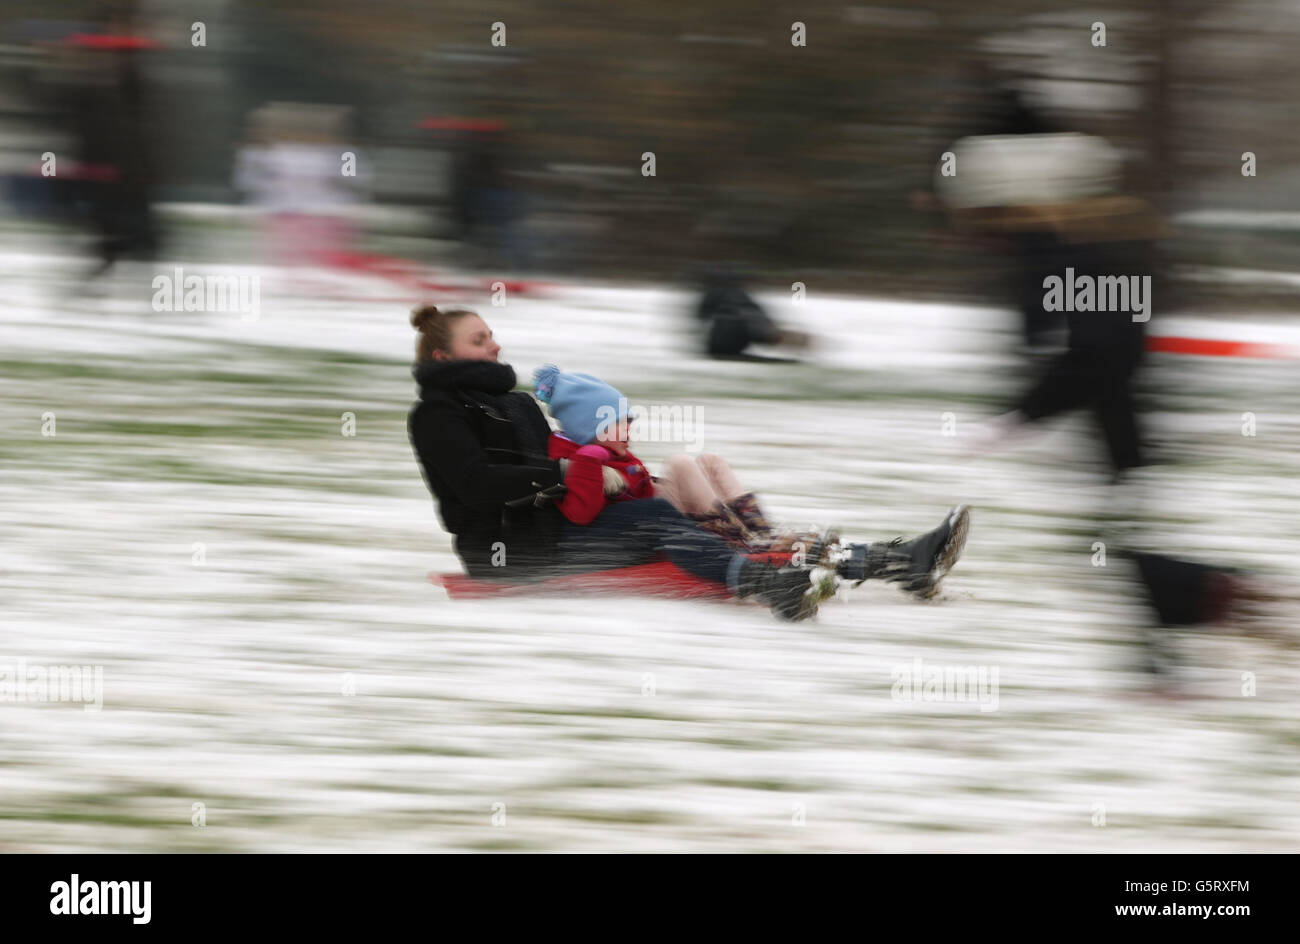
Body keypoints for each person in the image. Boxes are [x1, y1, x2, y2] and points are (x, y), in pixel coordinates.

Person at [407, 305, 971, 620]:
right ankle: (760, 581)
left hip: (564, 528)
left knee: (709, 513)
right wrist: (562, 477)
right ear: (444, 355)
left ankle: (898, 562)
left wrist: (613, 471)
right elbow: (476, 485)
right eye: (480, 340)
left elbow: (571, 450)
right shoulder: (435, 417)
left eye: (493, 335)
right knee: (661, 524)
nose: (496, 346)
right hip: (511, 552)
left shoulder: (516, 403)